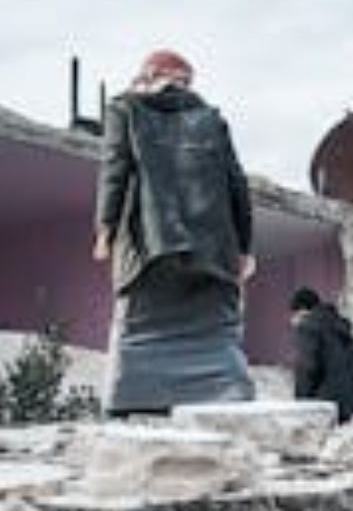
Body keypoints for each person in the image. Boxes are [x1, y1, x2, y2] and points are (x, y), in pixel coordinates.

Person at [93, 50, 255, 415]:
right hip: (213, 253)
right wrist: (244, 248)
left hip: (152, 248)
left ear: (149, 74)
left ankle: (131, 404)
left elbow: (115, 169)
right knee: (216, 336)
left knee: (138, 331)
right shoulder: (211, 119)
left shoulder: (126, 109)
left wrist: (105, 227)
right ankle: (226, 398)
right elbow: (237, 185)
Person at [289, 288, 353, 422]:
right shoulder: (345, 332)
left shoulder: (309, 327)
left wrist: (301, 405)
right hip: (351, 409)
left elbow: (306, 368)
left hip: (324, 409)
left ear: (302, 311)